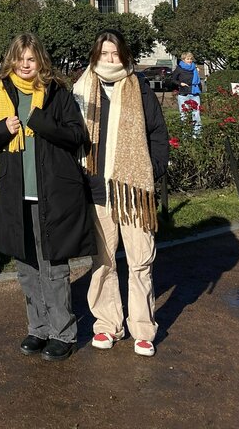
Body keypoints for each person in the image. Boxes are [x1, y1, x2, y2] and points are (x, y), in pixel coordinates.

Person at [0, 33, 94, 361]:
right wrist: (4, 129)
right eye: (20, 59)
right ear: (12, 61)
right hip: (17, 192)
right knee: (26, 265)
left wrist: (41, 122)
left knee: (53, 265)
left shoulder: (57, 93)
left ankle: (63, 333)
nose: (25, 65)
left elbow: (77, 135)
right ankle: (38, 328)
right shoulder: (4, 92)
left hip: (52, 192)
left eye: (31, 59)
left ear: (41, 61)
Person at [73, 30, 169, 357]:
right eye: (104, 53)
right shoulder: (82, 89)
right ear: (95, 55)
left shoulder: (138, 87)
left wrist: (151, 169)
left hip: (134, 191)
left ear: (124, 55)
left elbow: (157, 132)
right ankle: (107, 323)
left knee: (141, 260)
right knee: (103, 262)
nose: (110, 59)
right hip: (97, 189)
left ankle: (143, 329)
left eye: (115, 53)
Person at [169, 52, 202, 138]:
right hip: (184, 94)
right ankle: (185, 135)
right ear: (183, 60)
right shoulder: (179, 68)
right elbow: (173, 79)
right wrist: (180, 83)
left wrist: (197, 72)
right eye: (188, 59)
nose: (190, 60)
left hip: (194, 93)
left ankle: (197, 135)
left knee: (196, 113)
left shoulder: (195, 68)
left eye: (191, 59)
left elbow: (198, 81)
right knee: (184, 114)